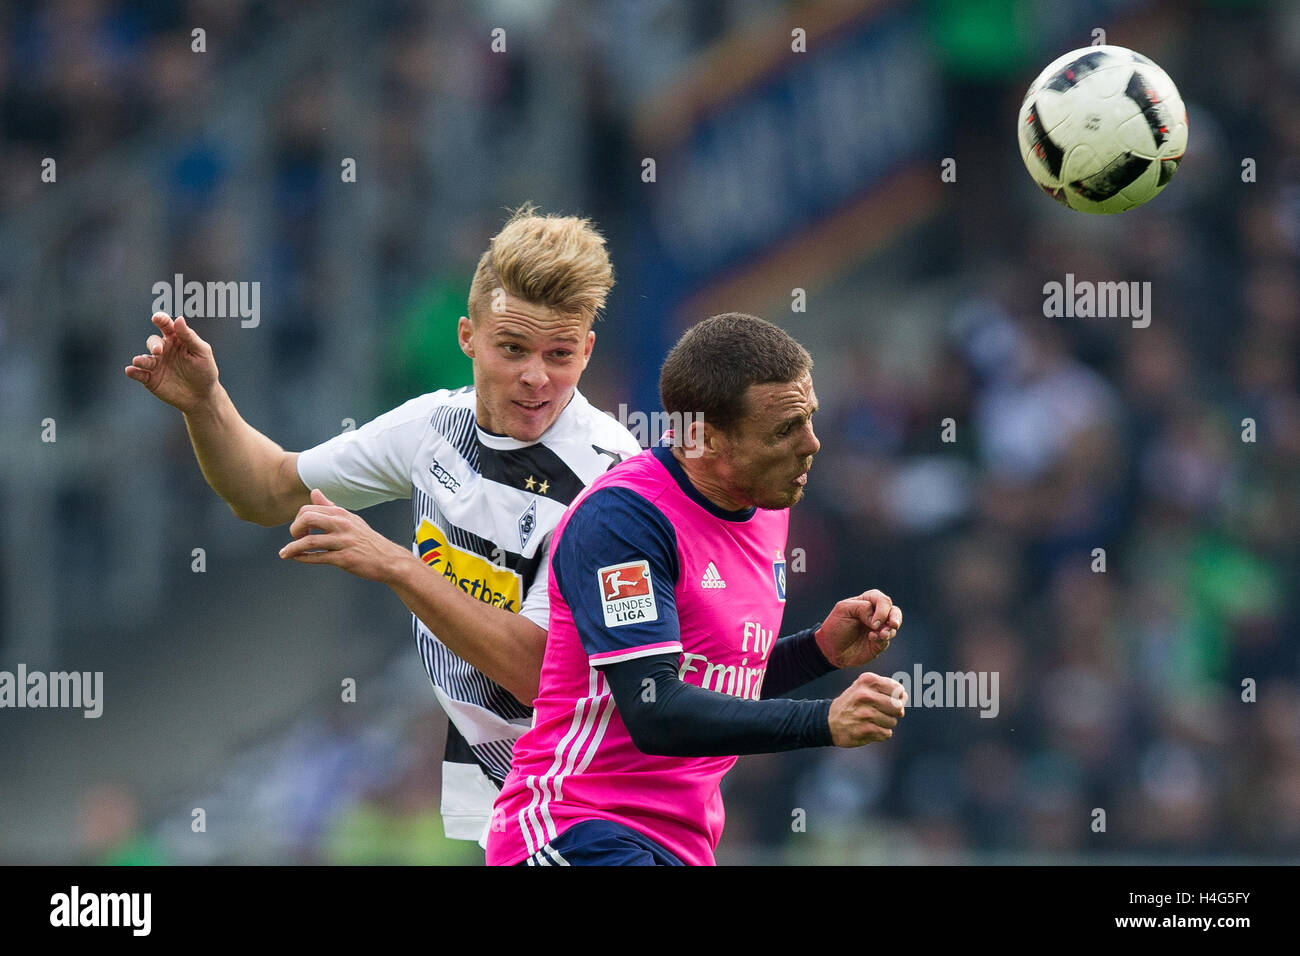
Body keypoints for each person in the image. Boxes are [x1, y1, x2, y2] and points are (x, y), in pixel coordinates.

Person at [124, 205, 642, 845]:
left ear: (587, 350)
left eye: (560, 354)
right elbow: (264, 492)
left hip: (599, 796)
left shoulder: (611, 483)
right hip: (520, 784)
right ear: (467, 336)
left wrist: (395, 564)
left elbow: (537, 673)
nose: (537, 376)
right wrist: (207, 403)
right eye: (513, 349)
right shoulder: (434, 430)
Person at [486, 312, 907, 867]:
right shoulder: (624, 521)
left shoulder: (766, 504)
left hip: (678, 845)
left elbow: (711, 688)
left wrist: (817, 652)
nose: (812, 443)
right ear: (705, 437)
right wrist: (823, 720)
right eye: (784, 430)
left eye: (809, 418)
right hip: (573, 827)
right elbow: (655, 707)